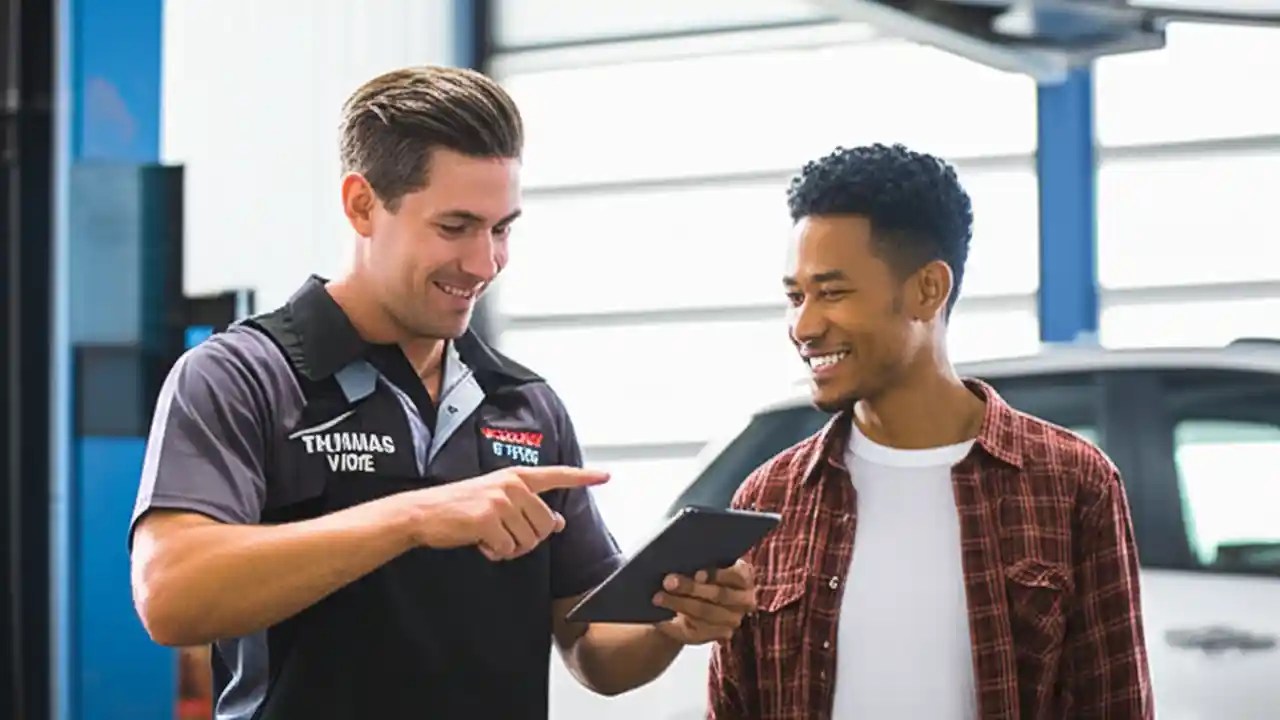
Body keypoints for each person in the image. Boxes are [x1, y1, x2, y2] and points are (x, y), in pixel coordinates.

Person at [127, 65, 758, 720]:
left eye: (502, 228)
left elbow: (593, 651)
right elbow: (171, 594)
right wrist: (414, 518)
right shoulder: (244, 376)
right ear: (362, 205)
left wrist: (670, 621)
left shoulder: (526, 405)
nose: (485, 264)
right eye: (455, 227)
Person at [707, 143, 1154, 719]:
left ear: (927, 290)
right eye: (795, 297)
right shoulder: (768, 500)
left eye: (833, 293)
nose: (804, 325)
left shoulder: (1071, 483)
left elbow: (1115, 707)